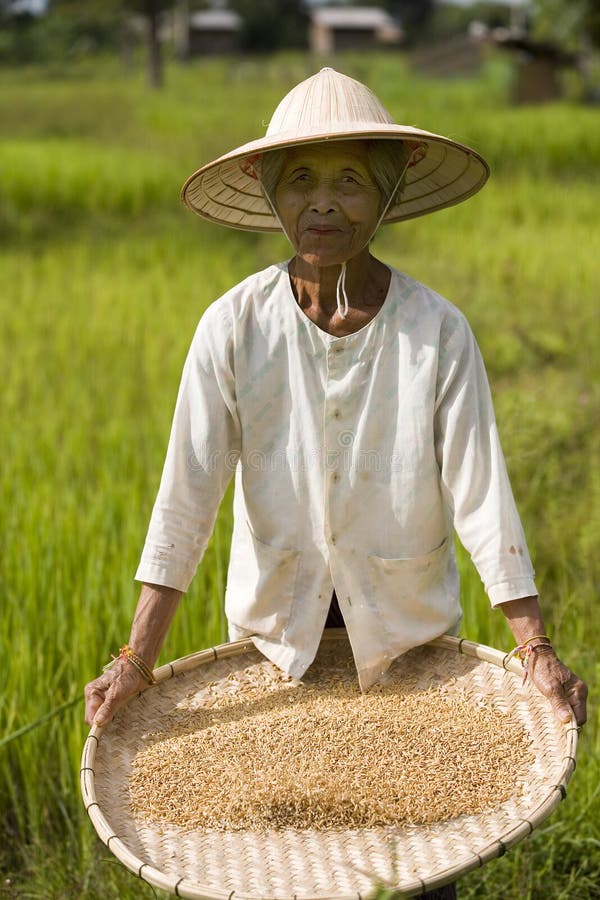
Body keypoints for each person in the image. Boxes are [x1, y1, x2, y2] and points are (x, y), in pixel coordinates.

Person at [84, 68, 587, 897]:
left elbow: (481, 491)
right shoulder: (233, 328)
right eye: (303, 181)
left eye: (351, 181)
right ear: (273, 195)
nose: (325, 204)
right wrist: (137, 657)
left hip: (405, 653)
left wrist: (532, 645)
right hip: (276, 655)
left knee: (419, 867)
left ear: (386, 193)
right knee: (281, 869)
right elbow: (187, 496)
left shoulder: (437, 332)